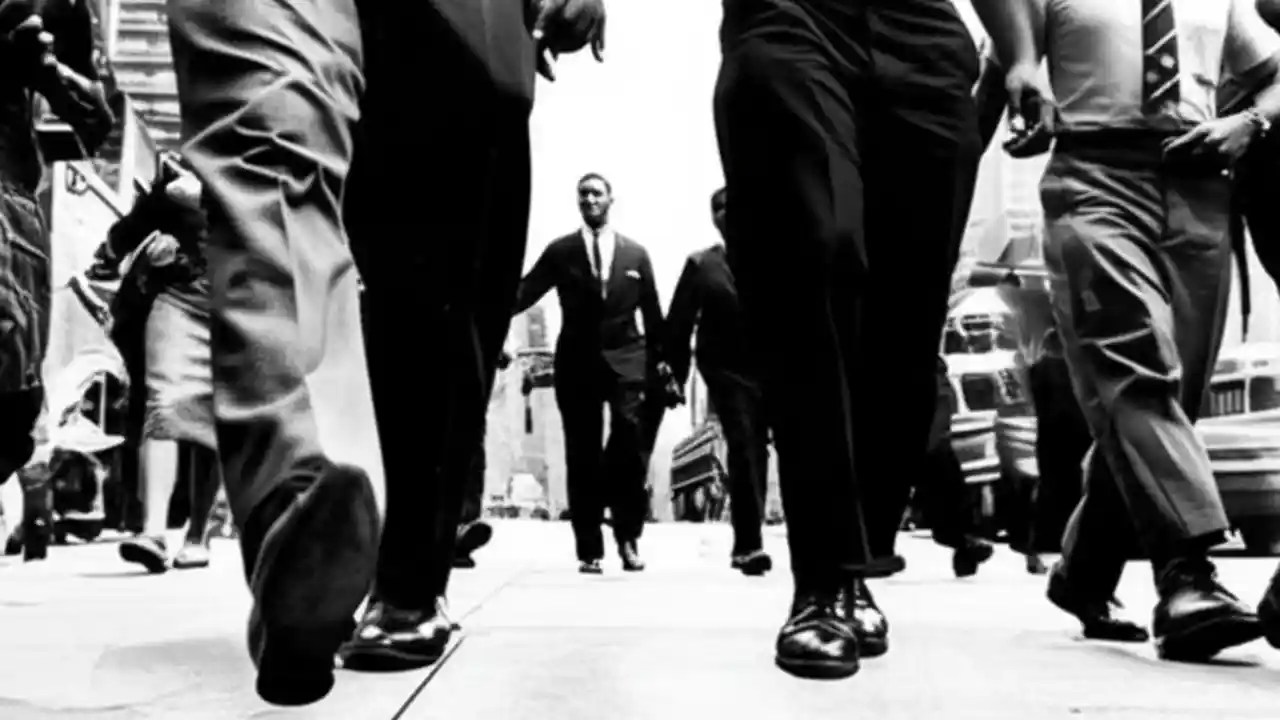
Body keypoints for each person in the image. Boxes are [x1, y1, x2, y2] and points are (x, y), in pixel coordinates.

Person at [713, 0, 1003, 679]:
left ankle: (858, 563)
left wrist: (1018, 56)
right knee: (816, 245)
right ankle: (823, 577)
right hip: (789, 16)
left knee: (909, 306)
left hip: (922, 31)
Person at [992, 0, 1280, 661]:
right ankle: (1187, 575)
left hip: (1199, 184)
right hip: (1093, 177)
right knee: (1133, 368)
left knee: (1172, 396)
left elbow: (1274, 76)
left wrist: (1250, 122)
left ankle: (1084, 571)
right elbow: (1002, 71)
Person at [338, 0, 608, 675]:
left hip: (470, 55)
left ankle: (406, 577)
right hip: (334, 44)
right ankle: (350, 557)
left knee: (444, 319)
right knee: (368, 302)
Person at [513, 172, 664, 575]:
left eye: (597, 193)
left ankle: (628, 537)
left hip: (627, 360)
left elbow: (653, 314)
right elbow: (524, 292)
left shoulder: (636, 255)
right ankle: (589, 548)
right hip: (577, 363)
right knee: (582, 453)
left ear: (611, 199)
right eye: (583, 195)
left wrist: (662, 363)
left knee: (628, 445)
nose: (590, 200)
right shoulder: (561, 251)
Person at [0, 0, 113, 490]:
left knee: (10, 407)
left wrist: (44, 68)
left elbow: (97, 122)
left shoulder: (51, 6)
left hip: (6, 209)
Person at [91, 158, 222, 573]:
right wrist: (141, 247)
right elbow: (131, 229)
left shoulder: (266, 165)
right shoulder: (176, 174)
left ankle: (198, 533)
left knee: (215, 418)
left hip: (242, 302)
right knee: (163, 404)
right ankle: (153, 532)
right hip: (181, 296)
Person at [666, 187, 771, 577]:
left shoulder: (774, 258)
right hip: (725, 370)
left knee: (761, 451)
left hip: (771, 367)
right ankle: (748, 545)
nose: (727, 215)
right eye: (719, 209)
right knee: (743, 445)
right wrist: (674, 376)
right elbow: (678, 324)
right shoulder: (702, 264)